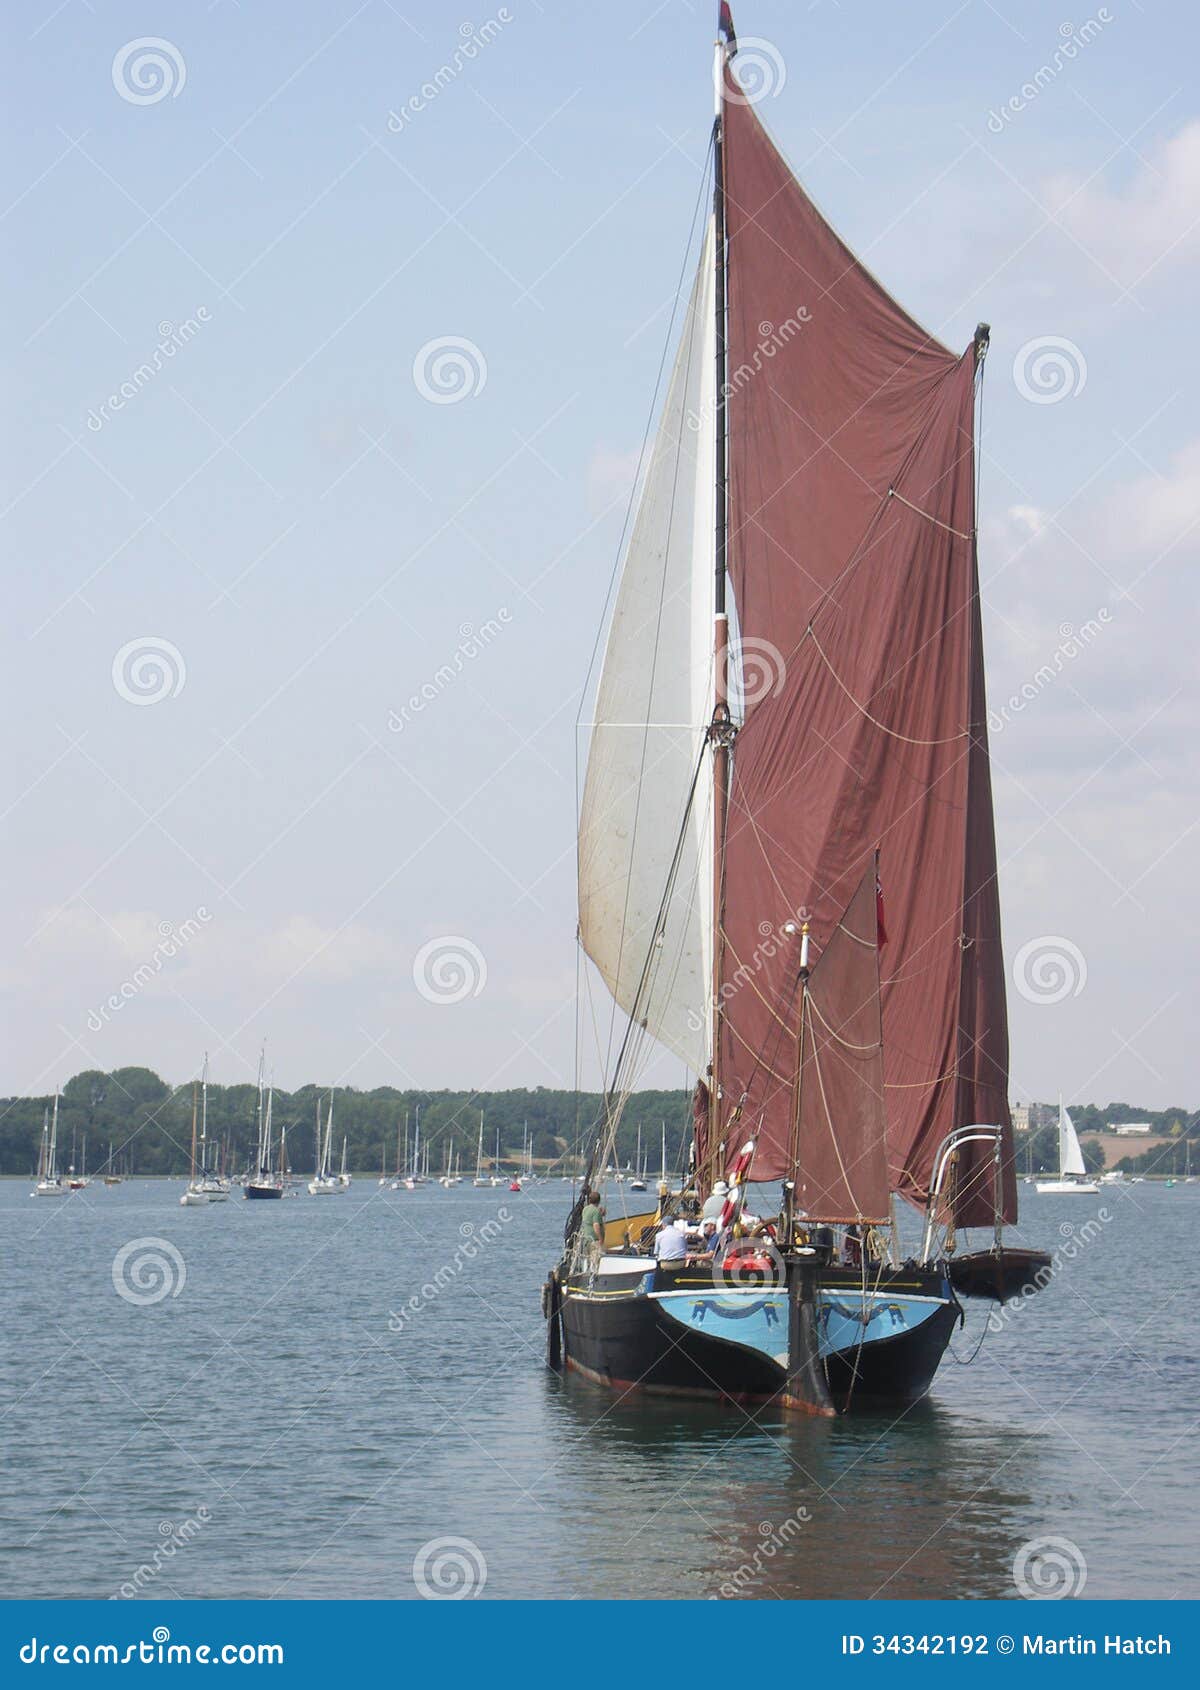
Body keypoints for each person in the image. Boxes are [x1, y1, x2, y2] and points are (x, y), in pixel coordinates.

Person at [579, 1189, 604, 1268]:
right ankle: (594, 1275)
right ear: (599, 1200)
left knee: (587, 1259)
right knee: (596, 1261)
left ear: (589, 1200)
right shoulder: (596, 1211)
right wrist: (600, 1239)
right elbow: (596, 1226)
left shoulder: (585, 1209)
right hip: (594, 1240)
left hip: (586, 1239)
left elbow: (589, 1219)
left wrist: (600, 1214)